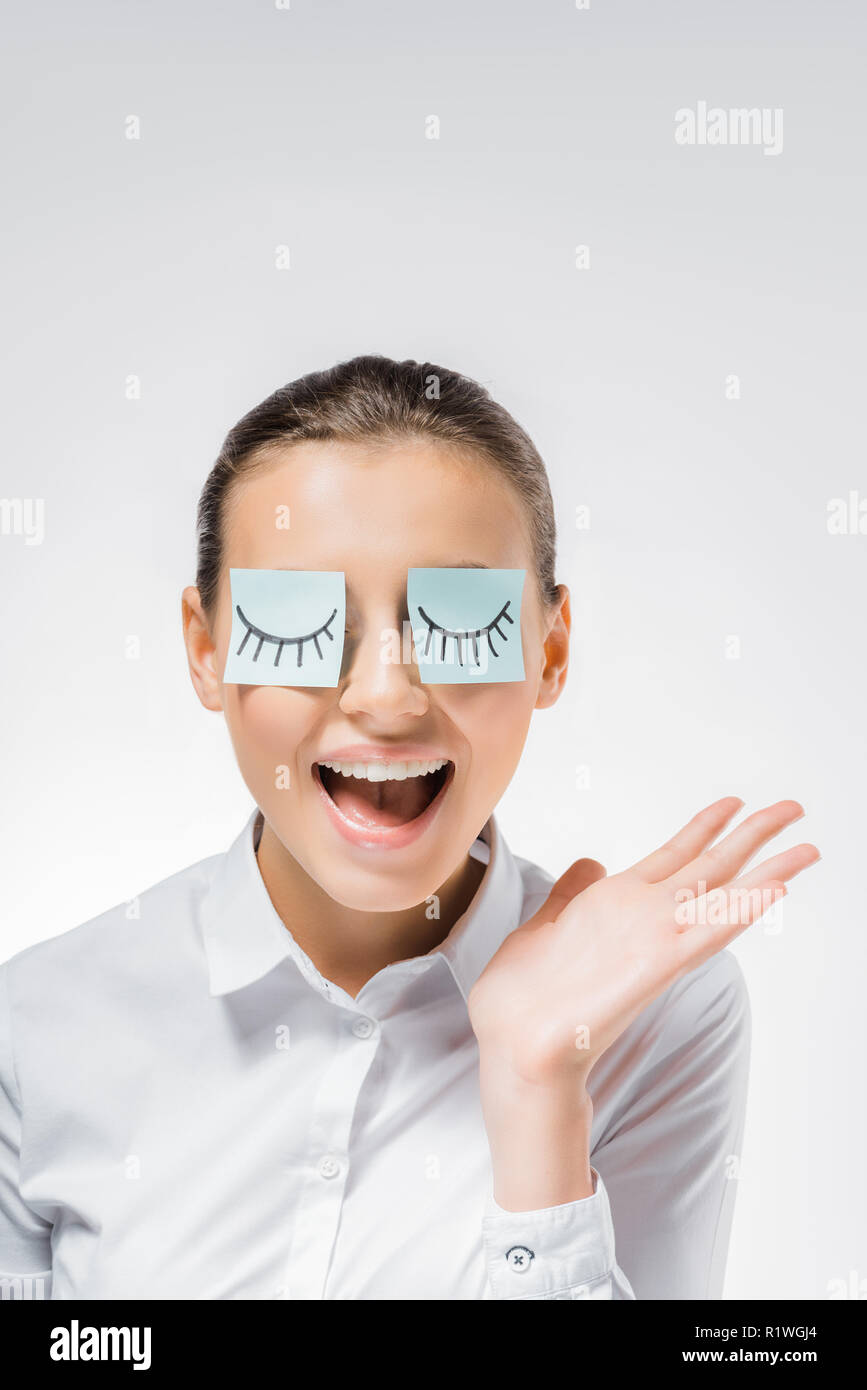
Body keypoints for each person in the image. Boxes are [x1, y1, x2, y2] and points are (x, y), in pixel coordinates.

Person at [0, 355, 819, 1300]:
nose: (385, 696)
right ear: (206, 648)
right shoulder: (36, 1030)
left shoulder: (661, 1014)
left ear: (547, 651)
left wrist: (535, 1091)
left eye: (457, 620)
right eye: (298, 625)